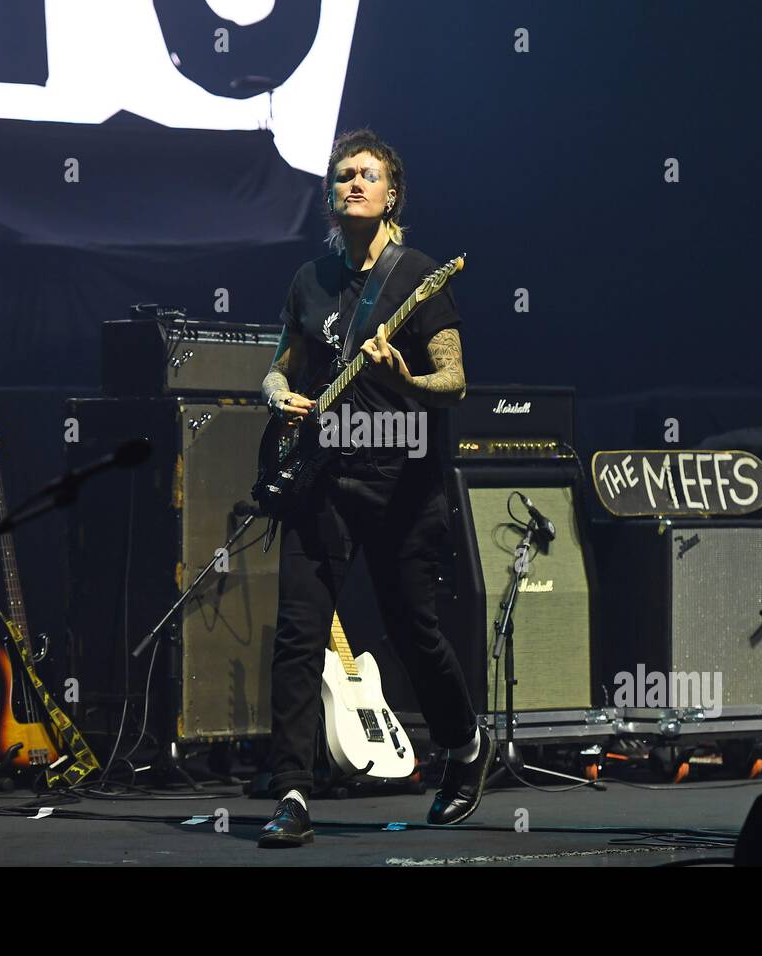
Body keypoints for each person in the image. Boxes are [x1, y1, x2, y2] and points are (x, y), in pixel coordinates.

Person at [256, 129, 493, 848]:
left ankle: (463, 746)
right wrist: (274, 392)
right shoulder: (310, 281)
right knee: (298, 635)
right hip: (322, 479)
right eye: (342, 175)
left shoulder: (419, 276)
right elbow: (280, 364)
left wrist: (399, 378)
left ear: (392, 193)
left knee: (415, 630)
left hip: (403, 482)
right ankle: (294, 790)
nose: (353, 183)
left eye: (368, 174)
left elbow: (452, 384)